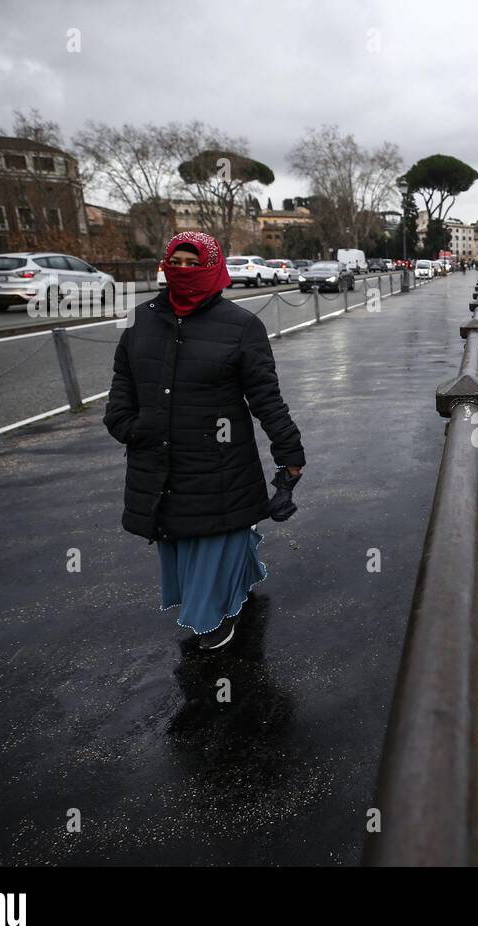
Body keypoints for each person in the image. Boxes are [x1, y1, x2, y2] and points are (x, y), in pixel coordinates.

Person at [104, 231, 305, 650]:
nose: (182, 270)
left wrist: (289, 453)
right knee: (181, 536)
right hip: (158, 458)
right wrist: (125, 425)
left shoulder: (241, 326)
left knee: (215, 537)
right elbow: (124, 380)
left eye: (192, 263)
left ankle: (210, 618)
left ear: (212, 267)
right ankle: (235, 586)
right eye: (174, 262)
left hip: (221, 461)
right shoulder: (140, 321)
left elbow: (266, 398)